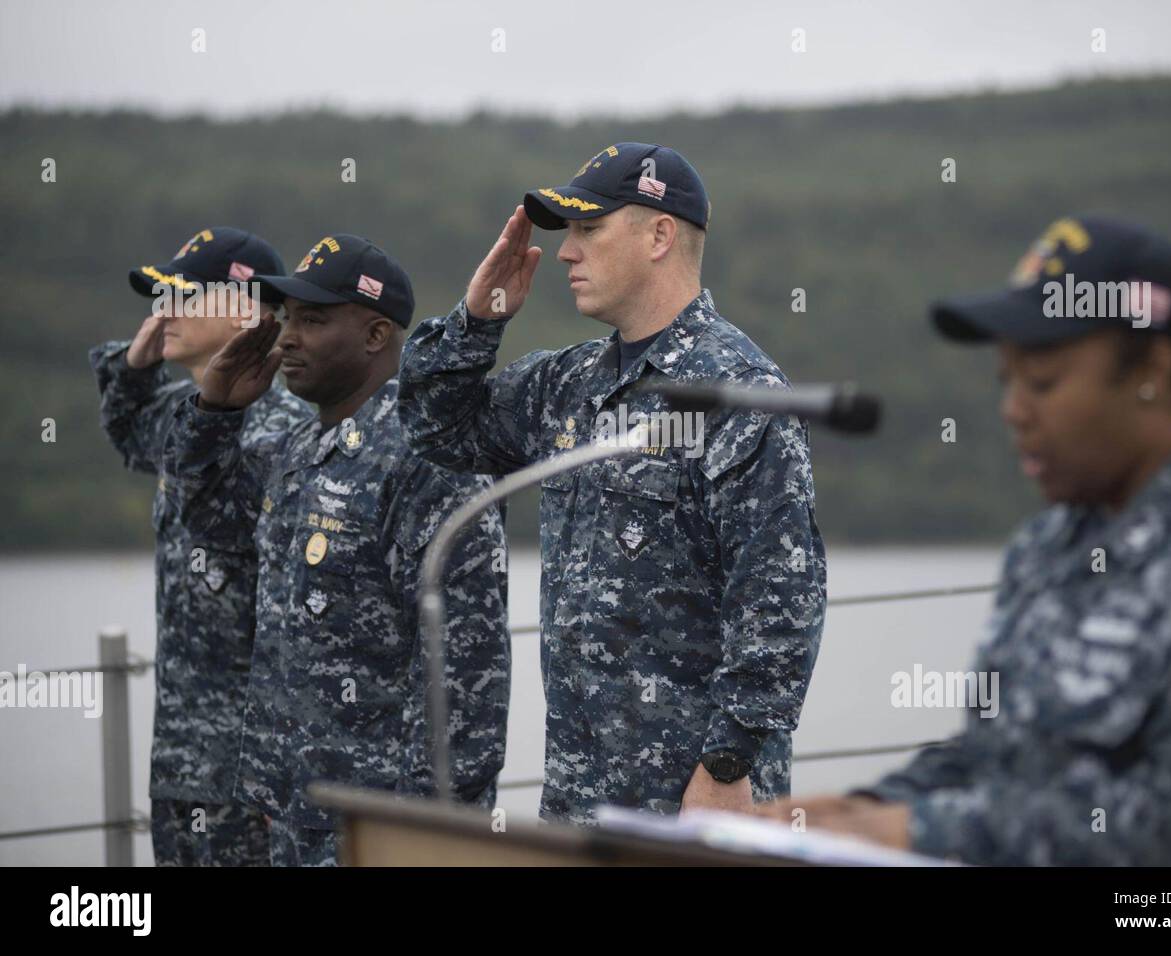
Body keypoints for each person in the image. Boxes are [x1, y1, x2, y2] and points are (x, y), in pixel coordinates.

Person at [755, 216, 1171, 865]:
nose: (1014, 410)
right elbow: (998, 757)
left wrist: (916, 832)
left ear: (1152, 370)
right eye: (1005, 382)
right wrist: (858, 810)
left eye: (1042, 382)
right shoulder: (1047, 546)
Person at [398, 144, 827, 824]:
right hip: (580, 794)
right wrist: (477, 324)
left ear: (659, 235)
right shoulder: (568, 385)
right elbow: (437, 430)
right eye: (567, 232)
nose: (566, 252)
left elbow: (780, 600)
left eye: (588, 229)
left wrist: (727, 765)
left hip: (693, 799)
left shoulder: (737, 392)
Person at [161, 234, 511, 865]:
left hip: (379, 824)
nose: (286, 338)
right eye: (287, 319)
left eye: (313, 321)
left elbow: (464, 677)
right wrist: (214, 410)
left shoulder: (429, 462)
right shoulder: (297, 449)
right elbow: (210, 520)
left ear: (377, 335)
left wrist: (427, 835)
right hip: (292, 812)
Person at [90, 226, 307, 866]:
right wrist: (134, 367)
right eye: (161, 297)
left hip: (252, 767)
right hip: (185, 754)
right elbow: (131, 431)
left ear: (247, 310)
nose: (164, 310)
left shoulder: (283, 428)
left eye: (184, 296)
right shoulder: (192, 417)